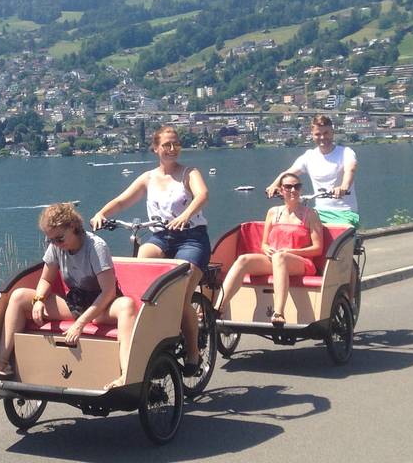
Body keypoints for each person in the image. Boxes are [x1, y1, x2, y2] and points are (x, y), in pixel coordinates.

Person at [90, 125, 210, 376]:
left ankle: (193, 353)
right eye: (166, 145)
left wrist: (186, 215)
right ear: (155, 148)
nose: (172, 149)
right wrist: (102, 213)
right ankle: (147, 334)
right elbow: (123, 200)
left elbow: (203, 195)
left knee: (181, 296)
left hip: (191, 238)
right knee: (142, 264)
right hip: (161, 237)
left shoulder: (190, 173)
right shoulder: (148, 177)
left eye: (176, 144)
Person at [0, 203, 137, 389]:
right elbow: (46, 280)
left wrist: (80, 324)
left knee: (127, 305)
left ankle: (125, 375)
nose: (56, 244)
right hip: (75, 303)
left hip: (101, 306)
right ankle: (2, 362)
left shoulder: (96, 247)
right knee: (18, 296)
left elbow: (108, 292)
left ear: (72, 227)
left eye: (59, 238)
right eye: (51, 240)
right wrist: (39, 299)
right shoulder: (57, 247)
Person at [220, 173, 325, 324]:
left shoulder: (311, 215)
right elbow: (264, 243)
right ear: (281, 191)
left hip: (301, 262)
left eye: (297, 186)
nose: (293, 190)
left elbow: (317, 248)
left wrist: (290, 252)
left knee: (279, 258)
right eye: (288, 187)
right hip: (276, 260)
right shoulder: (272, 212)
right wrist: (266, 248)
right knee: (243, 260)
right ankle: (219, 308)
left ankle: (279, 312)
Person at [266, 115, 359, 228]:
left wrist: (343, 187)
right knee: (297, 229)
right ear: (312, 135)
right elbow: (287, 174)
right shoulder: (309, 156)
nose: (322, 137)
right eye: (318, 134)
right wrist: (274, 186)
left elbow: (350, 170)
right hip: (319, 211)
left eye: (326, 133)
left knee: (342, 238)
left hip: (344, 211)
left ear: (333, 133)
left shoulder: (345, 152)